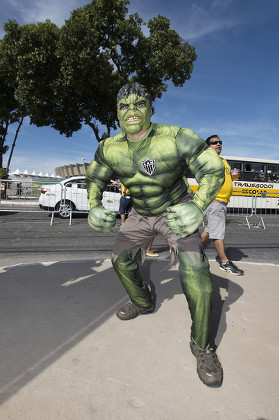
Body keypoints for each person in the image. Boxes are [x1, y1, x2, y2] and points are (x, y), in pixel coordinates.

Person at [86, 82, 225, 388]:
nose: (132, 111)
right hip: (138, 214)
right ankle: (143, 300)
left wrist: (199, 205)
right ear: (116, 112)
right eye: (124, 106)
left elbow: (213, 169)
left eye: (139, 104)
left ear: (150, 108)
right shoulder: (109, 147)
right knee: (119, 261)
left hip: (177, 210)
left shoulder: (175, 136)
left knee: (198, 276)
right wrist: (94, 205)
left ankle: (203, 346)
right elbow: (94, 175)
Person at [201, 135, 244, 276]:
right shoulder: (207, 159)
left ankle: (192, 251)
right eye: (214, 143)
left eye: (220, 142)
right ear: (208, 146)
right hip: (216, 200)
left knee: (210, 229)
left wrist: (232, 176)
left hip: (222, 201)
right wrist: (211, 198)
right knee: (218, 233)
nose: (218, 144)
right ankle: (225, 262)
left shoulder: (223, 161)